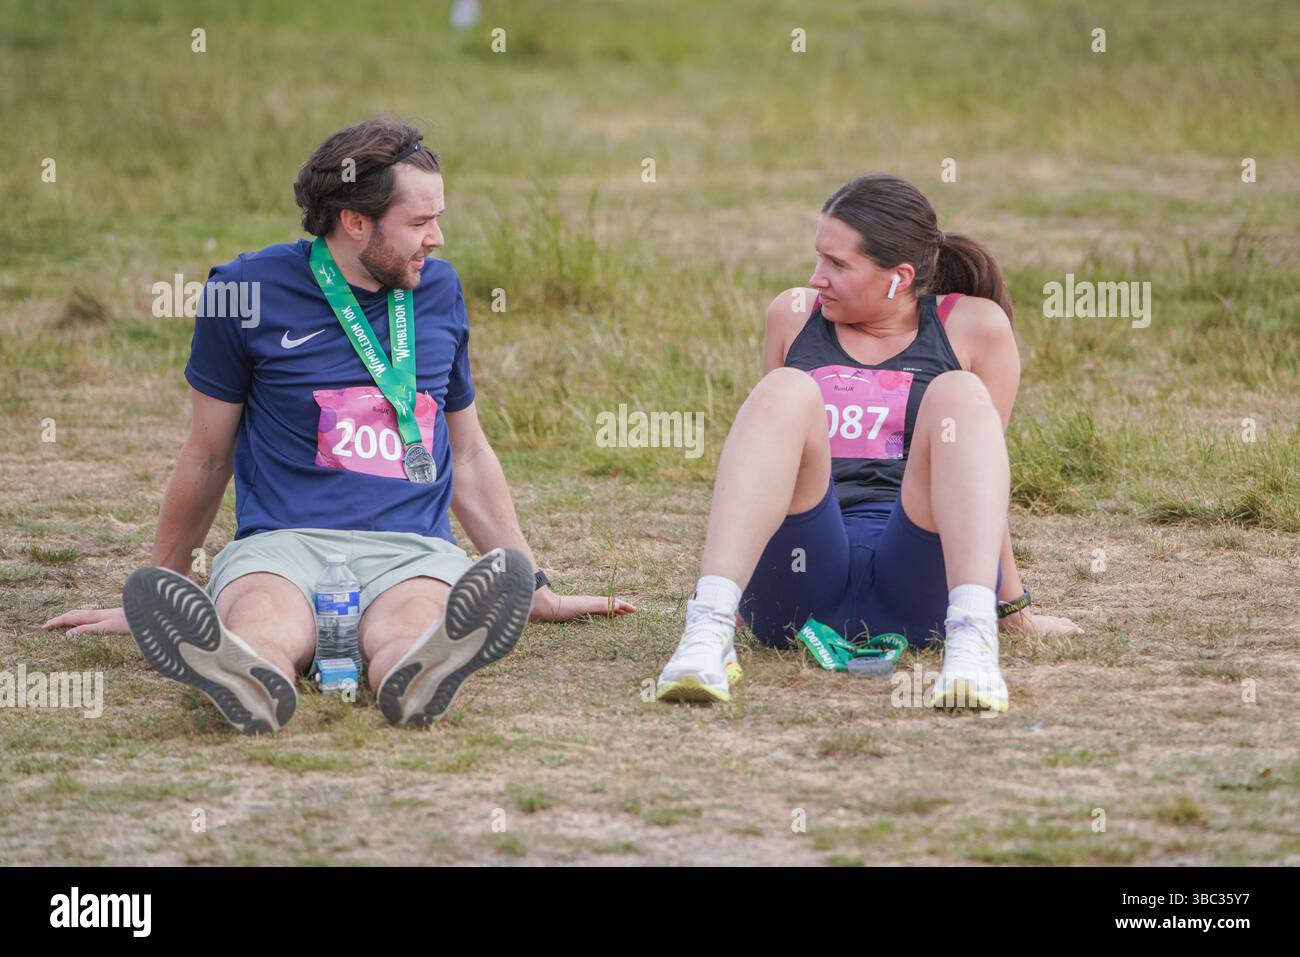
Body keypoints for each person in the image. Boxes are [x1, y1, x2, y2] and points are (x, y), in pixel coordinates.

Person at [44, 118, 634, 732]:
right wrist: (159, 593)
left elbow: (471, 453)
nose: (437, 238)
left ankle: (414, 677)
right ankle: (248, 675)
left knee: (407, 629)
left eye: (437, 218)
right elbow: (206, 456)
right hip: (282, 546)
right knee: (265, 622)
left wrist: (534, 586)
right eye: (419, 222)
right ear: (355, 221)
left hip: (411, 552)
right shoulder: (245, 290)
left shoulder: (439, 291)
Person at [656, 174, 1082, 712]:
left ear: (897, 278)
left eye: (838, 264)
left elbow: (981, 481)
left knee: (958, 395)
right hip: (802, 578)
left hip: (919, 579)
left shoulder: (974, 328)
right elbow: (768, 462)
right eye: (818, 258)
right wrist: (742, 595)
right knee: (784, 388)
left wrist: (1012, 606)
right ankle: (707, 631)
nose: (817, 277)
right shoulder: (792, 316)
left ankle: (974, 645)